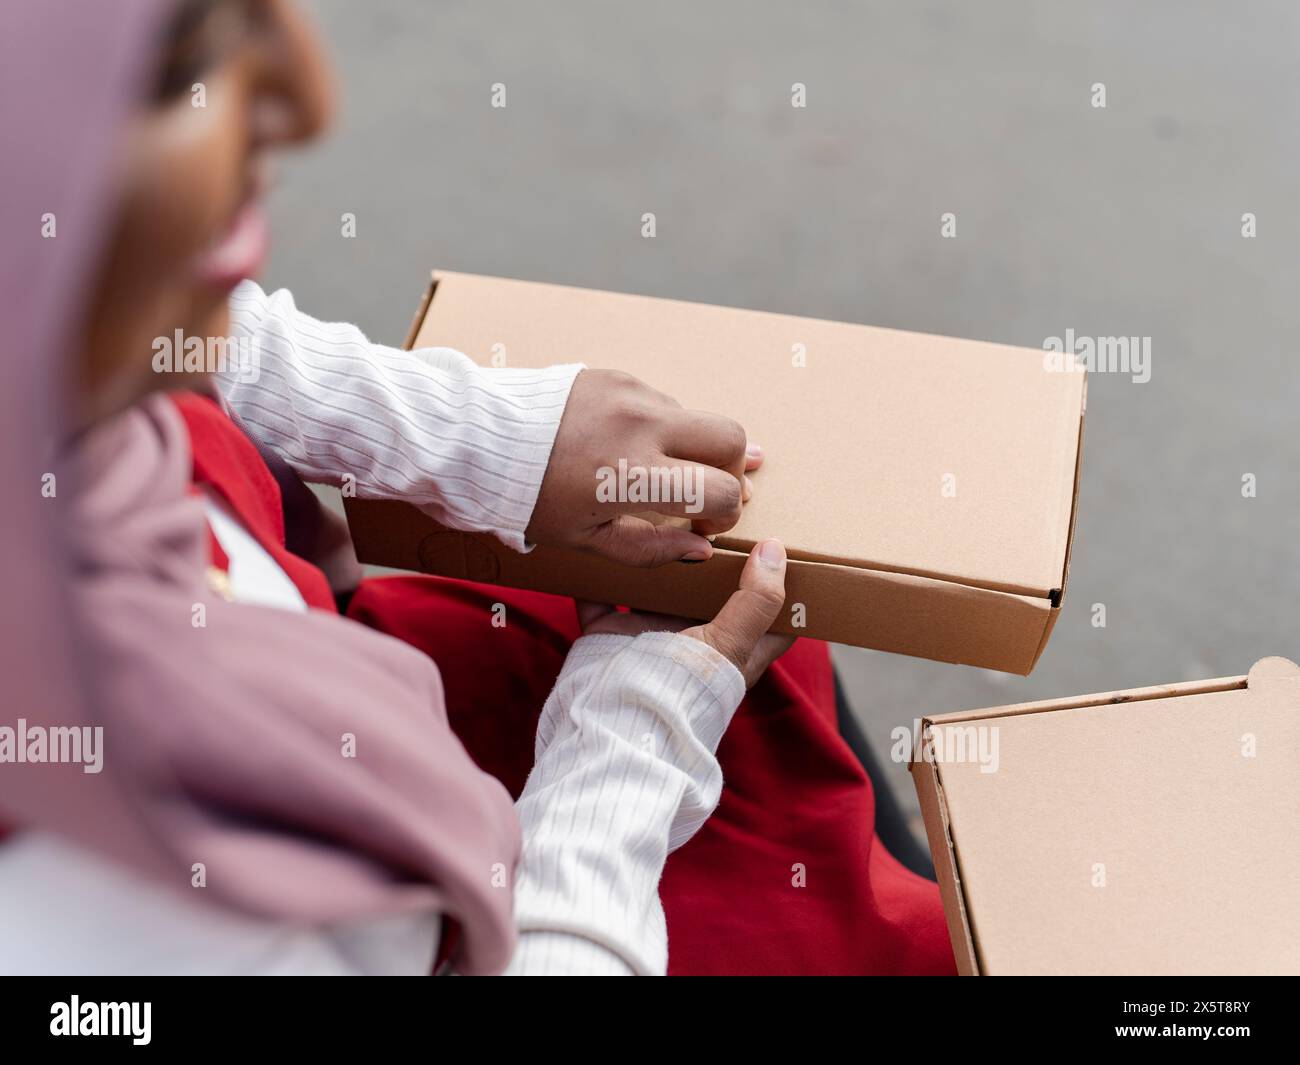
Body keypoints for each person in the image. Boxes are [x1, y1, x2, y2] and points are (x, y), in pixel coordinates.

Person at [0, 0, 955, 976]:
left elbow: (130, 306)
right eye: (173, 63)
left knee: (715, 592)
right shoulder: (98, 913)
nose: (306, 97)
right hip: (499, 920)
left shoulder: (52, 351)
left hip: (318, 687)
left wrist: (493, 443)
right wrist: (632, 729)